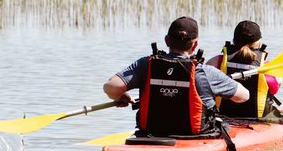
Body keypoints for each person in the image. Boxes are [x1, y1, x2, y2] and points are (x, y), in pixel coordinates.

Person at [104, 16, 248, 139]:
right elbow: (244, 96)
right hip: (195, 137)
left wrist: (121, 95)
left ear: (167, 40)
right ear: (195, 44)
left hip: (151, 135)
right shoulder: (205, 72)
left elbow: (111, 87)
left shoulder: (145, 64)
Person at [207, 20, 283, 123]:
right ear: (259, 43)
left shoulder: (216, 61)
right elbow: (274, 89)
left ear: (233, 41)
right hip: (257, 119)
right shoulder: (267, 67)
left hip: (222, 116)